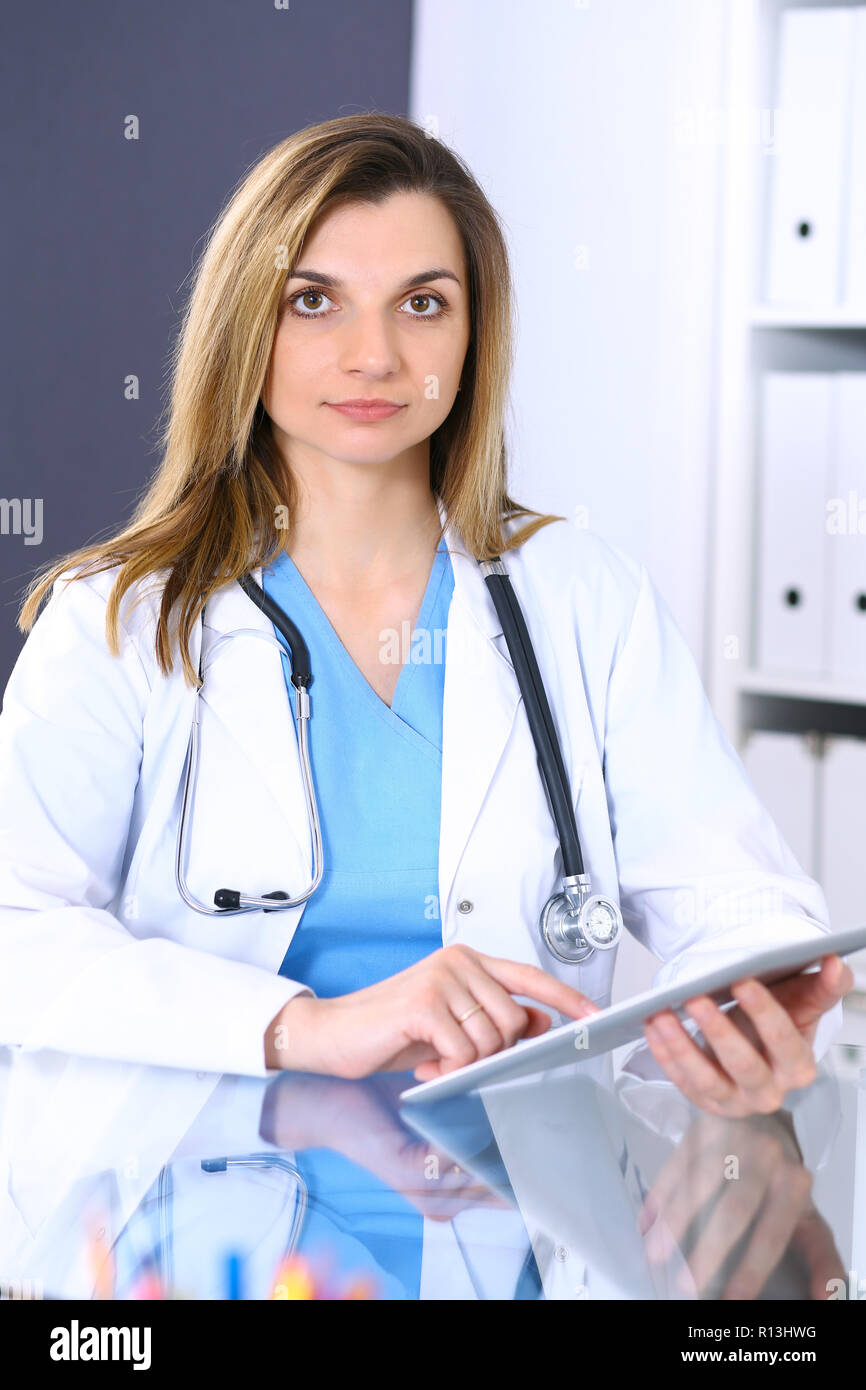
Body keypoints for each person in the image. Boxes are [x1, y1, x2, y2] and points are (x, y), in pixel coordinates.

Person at [1, 113, 851, 1119]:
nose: (373, 356)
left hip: (520, 1224)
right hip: (216, 1225)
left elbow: (736, 901)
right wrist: (306, 1025)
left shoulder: (580, 597)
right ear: (244, 326)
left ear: (473, 331)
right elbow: (16, 931)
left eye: (421, 303)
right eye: (312, 301)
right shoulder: (121, 619)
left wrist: (746, 1011)